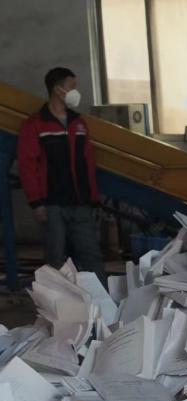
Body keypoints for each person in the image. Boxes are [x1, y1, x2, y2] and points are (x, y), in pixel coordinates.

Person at [18, 67, 106, 284]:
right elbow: (28, 166)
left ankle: (102, 302)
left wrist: (93, 198)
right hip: (52, 205)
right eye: (72, 86)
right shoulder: (35, 125)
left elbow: (88, 163)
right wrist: (36, 202)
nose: (76, 91)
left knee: (92, 256)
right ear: (58, 90)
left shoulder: (79, 123)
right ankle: (60, 304)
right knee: (55, 260)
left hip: (80, 204)